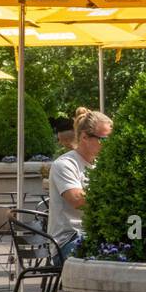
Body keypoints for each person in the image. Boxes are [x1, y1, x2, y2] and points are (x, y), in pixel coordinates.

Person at [48, 107, 112, 259]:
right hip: (69, 242)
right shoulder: (65, 164)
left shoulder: (102, 164)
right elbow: (78, 200)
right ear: (84, 137)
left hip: (97, 236)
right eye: (104, 139)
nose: (109, 144)